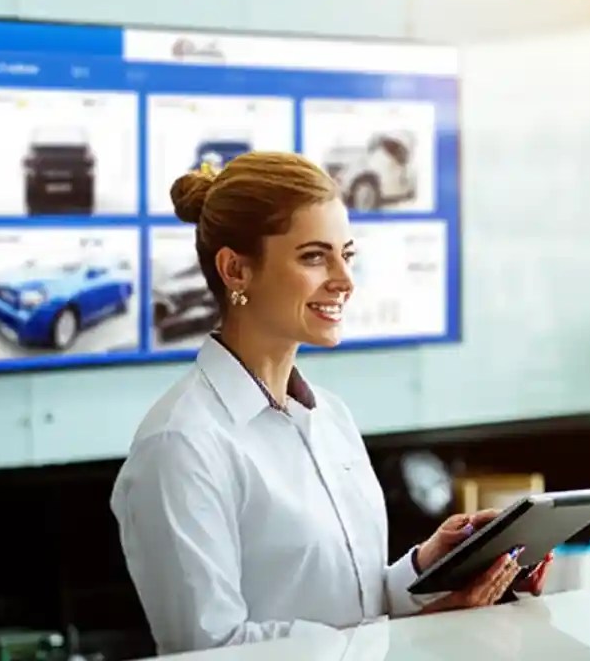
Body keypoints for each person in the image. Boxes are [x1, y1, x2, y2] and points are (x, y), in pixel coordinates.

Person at [110, 152, 551, 655]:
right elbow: (212, 648)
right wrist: (414, 636)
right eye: (314, 257)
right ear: (235, 270)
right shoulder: (180, 446)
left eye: (348, 254)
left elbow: (354, 605)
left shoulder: (330, 417)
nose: (344, 279)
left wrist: (427, 567)